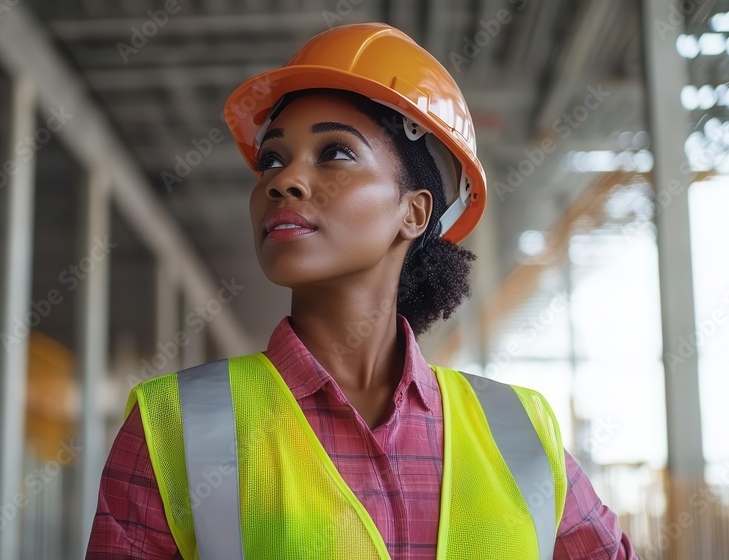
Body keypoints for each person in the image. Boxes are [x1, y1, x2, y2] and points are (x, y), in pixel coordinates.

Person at [86, 22, 639, 560]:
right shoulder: (175, 425)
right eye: (272, 160)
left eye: (335, 153)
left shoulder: (520, 432)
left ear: (414, 211)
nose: (282, 180)